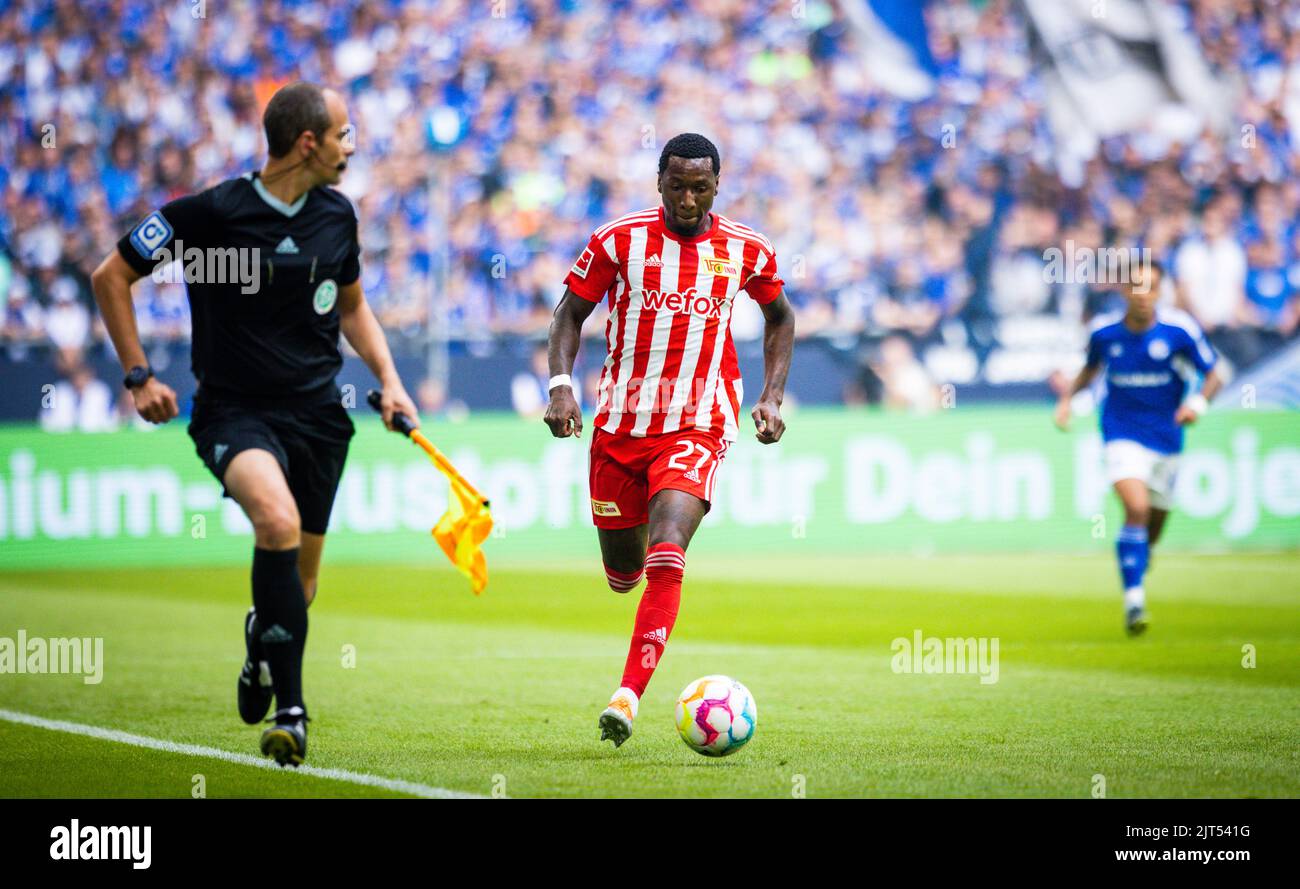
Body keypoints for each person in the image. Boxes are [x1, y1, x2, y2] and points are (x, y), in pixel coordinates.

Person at [90, 81, 419, 766]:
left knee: (299, 588)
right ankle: (292, 714)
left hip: (320, 417)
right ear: (309, 143)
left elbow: (353, 307)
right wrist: (138, 374)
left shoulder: (337, 215)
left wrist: (389, 381)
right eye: (343, 133)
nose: (351, 145)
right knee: (275, 522)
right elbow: (110, 276)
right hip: (234, 412)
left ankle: (260, 643)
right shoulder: (212, 215)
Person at [544, 133, 796, 747]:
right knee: (624, 572)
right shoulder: (619, 240)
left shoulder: (745, 248)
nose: (688, 198)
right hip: (620, 427)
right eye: (677, 186)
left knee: (666, 551)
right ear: (659, 182)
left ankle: (626, 697)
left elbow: (781, 317)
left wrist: (771, 396)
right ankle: (629, 595)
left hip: (697, 423)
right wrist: (560, 384)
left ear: (717, 187)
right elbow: (568, 314)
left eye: (700, 187)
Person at [1055, 261, 1222, 635]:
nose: (1144, 296)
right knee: (1136, 507)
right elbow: (1090, 369)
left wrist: (1197, 404)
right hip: (1120, 432)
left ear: (1159, 292)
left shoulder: (1180, 331)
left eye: (1151, 288)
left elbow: (1214, 373)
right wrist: (1068, 400)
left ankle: (1138, 559)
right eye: (1137, 287)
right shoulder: (1104, 333)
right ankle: (1134, 602)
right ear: (1125, 291)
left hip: (1166, 438)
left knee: (1152, 528)